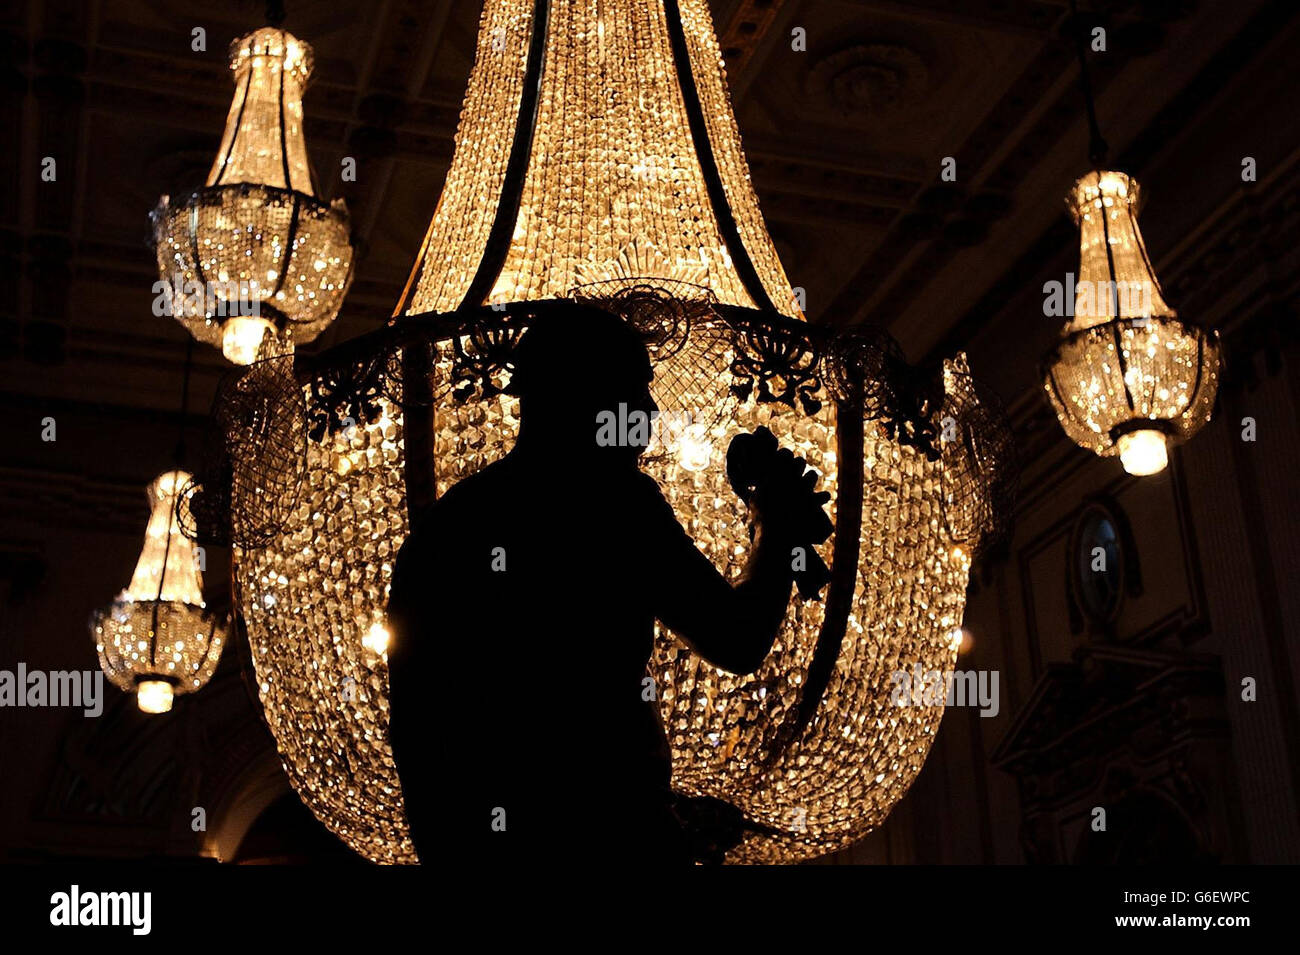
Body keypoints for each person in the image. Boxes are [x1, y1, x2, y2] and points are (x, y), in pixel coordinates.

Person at [386, 304, 824, 864]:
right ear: (580, 396)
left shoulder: (449, 525)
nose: (648, 412)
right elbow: (737, 639)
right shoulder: (613, 503)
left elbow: (421, 741)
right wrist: (776, 524)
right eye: (634, 391)